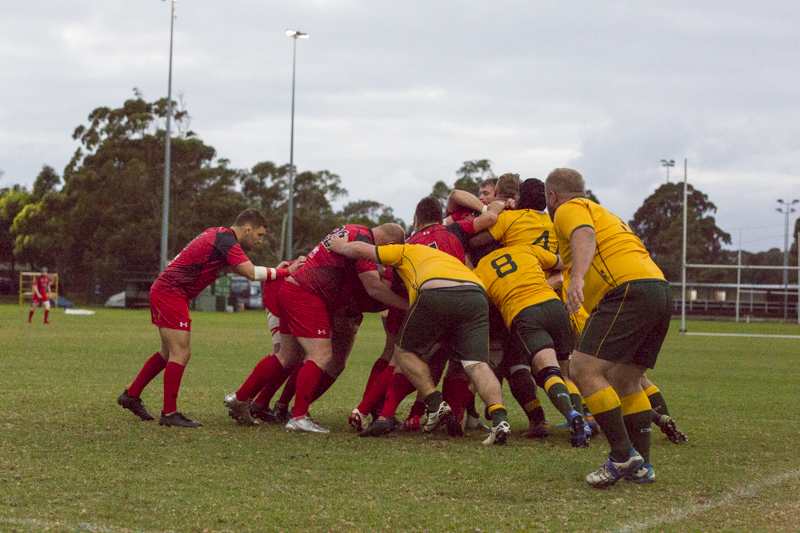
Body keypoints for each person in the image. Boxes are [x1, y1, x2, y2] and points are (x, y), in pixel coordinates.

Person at [546, 168, 672, 487]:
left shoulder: (567, 210)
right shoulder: (604, 213)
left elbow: (584, 235)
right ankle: (641, 466)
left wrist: (576, 279)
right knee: (625, 378)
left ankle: (620, 456)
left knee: (583, 369)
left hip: (627, 291)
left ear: (553, 196)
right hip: (659, 288)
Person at [328, 234, 511, 445]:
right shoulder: (447, 259)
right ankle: (500, 419)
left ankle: (435, 403)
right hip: (475, 294)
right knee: (477, 365)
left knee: (404, 353)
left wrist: (342, 246)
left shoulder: (407, 250)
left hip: (435, 291)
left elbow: (361, 250)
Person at [117, 208, 286, 428]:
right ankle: (169, 413)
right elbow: (251, 273)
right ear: (247, 229)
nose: (260, 241)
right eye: (260, 235)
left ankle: (131, 395)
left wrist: (274, 270)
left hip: (168, 290)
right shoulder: (226, 241)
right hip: (171, 291)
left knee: (168, 352)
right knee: (181, 352)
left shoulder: (220, 236)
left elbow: (240, 270)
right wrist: (286, 273)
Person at [258, 223, 409, 433]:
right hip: (296, 291)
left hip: (324, 300)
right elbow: (372, 286)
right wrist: (410, 306)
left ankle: (275, 406)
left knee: (310, 358)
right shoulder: (366, 248)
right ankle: (271, 405)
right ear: (390, 245)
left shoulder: (371, 251)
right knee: (295, 356)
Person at [473, 242, 588, 447]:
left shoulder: (480, 268)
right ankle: (582, 420)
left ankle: (571, 415)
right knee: (565, 373)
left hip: (525, 313)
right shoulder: (524, 248)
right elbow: (563, 263)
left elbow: (479, 300)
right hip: (555, 306)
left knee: (548, 372)